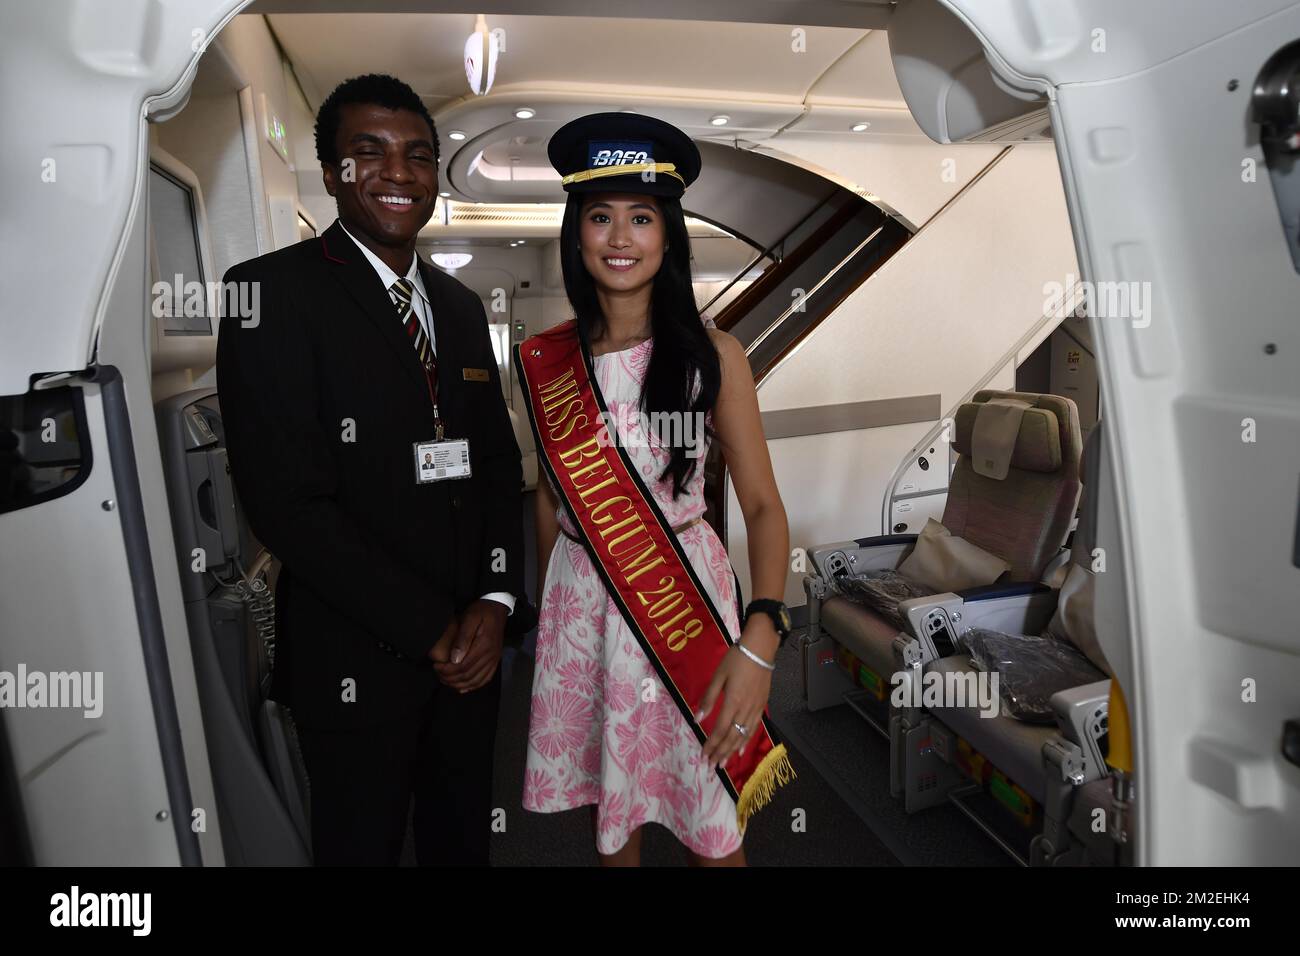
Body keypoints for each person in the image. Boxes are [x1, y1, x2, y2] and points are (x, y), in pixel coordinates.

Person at [216, 74, 524, 866]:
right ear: (332, 175)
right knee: (360, 849)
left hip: (473, 661)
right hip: (354, 664)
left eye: (418, 156)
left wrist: (493, 602)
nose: (398, 173)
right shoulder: (269, 294)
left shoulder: (457, 308)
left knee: (463, 844)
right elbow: (288, 505)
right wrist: (433, 630)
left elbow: (493, 464)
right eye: (370, 154)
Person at [516, 112, 794, 867]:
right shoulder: (545, 364)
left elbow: (764, 508)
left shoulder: (714, 356)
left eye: (640, 218)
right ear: (576, 233)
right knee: (614, 822)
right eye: (600, 217)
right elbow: (548, 498)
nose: (618, 237)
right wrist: (554, 614)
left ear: (668, 235)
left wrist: (760, 637)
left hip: (683, 601)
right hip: (584, 598)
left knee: (711, 825)